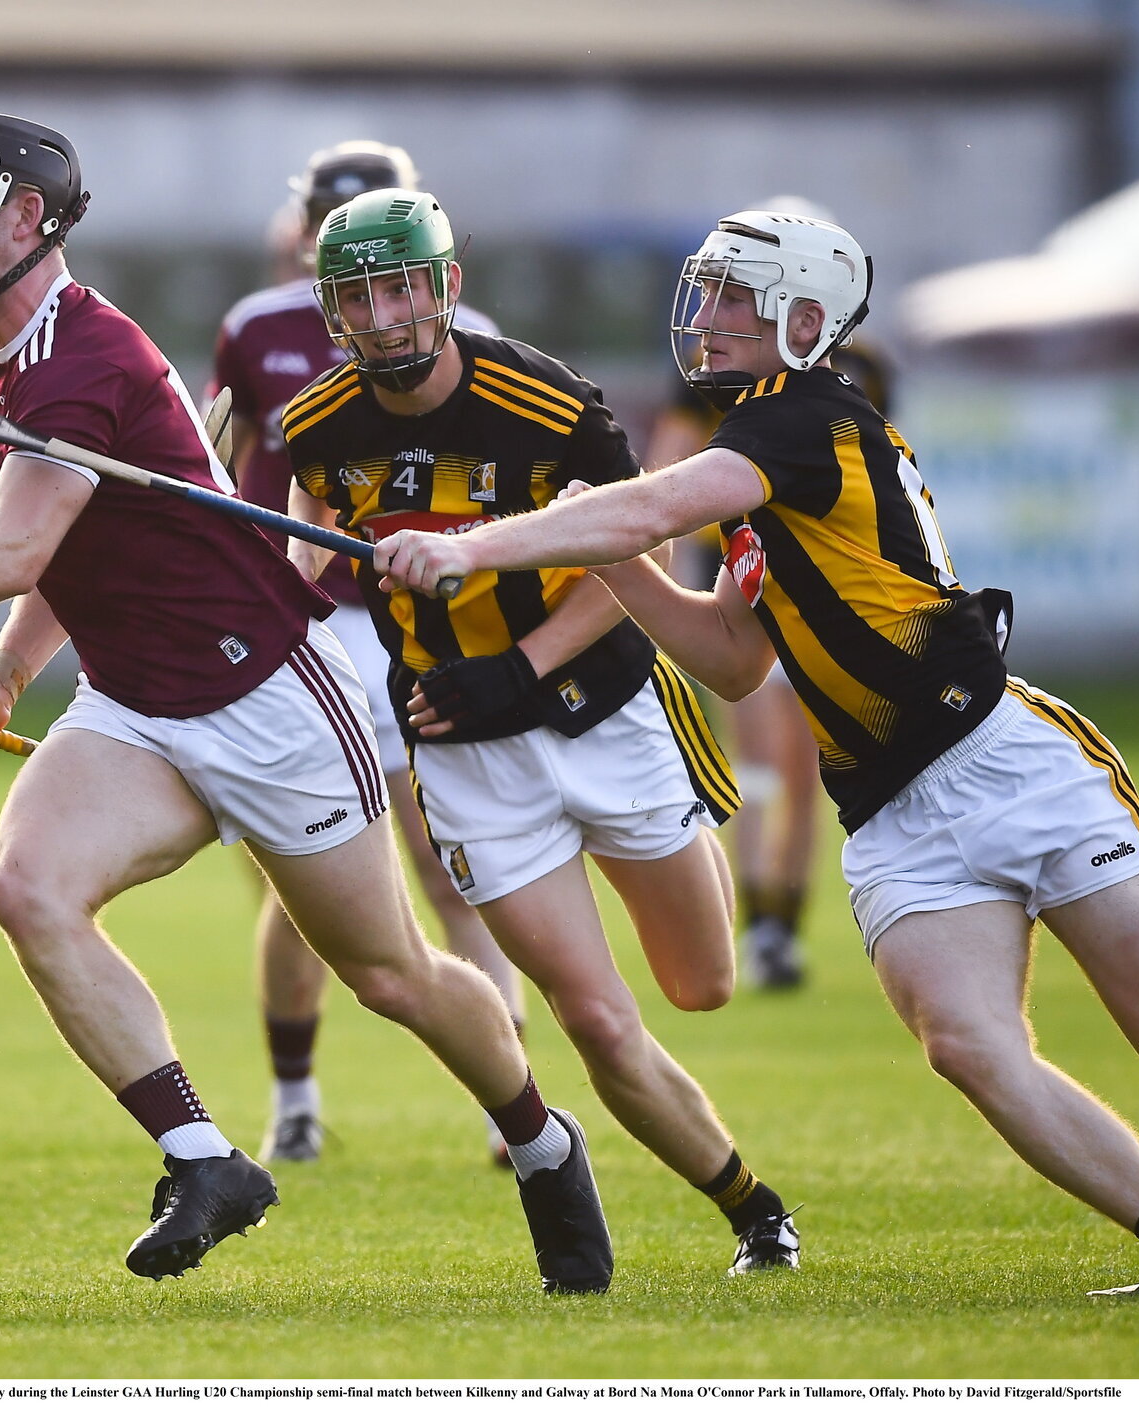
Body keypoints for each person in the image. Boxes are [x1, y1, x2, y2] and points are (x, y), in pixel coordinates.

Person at [0, 109, 612, 1293]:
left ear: (30, 214)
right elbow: (64, 559)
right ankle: (203, 1158)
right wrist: (8, 676)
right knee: (27, 889)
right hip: (134, 708)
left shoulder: (84, 358)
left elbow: (8, 551)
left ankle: (540, 1144)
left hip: (266, 697)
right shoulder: (9, 372)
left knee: (390, 978)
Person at [372, 207, 1139, 1298]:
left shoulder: (803, 419)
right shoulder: (751, 438)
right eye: (708, 293)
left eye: (736, 300)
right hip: (888, 812)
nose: (709, 318)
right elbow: (736, 659)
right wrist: (613, 565)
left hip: (994, 754)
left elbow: (648, 506)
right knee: (965, 1045)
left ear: (805, 316)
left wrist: (473, 544)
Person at [284, 186, 801, 1275]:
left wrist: (518, 668)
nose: (378, 317)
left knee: (698, 984)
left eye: (397, 288)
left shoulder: (547, 402)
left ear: (443, 288)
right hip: (463, 750)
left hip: (604, 711)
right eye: (354, 297)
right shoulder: (316, 425)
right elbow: (308, 560)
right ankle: (751, 1207)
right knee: (596, 1024)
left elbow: (630, 559)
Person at [209, 140, 522, 1166]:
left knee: (448, 864)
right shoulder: (255, 331)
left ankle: (503, 1092)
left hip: (425, 629)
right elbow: (209, 468)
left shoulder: (470, 337)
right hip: (298, 624)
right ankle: (294, 1099)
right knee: (313, 878)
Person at [646, 197, 895, 989]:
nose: (715, 315)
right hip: (752, 586)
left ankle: (780, 925)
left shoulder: (853, 383)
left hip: (828, 602)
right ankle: (762, 927)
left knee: (808, 769)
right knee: (761, 766)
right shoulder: (725, 373)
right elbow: (667, 476)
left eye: (738, 292)